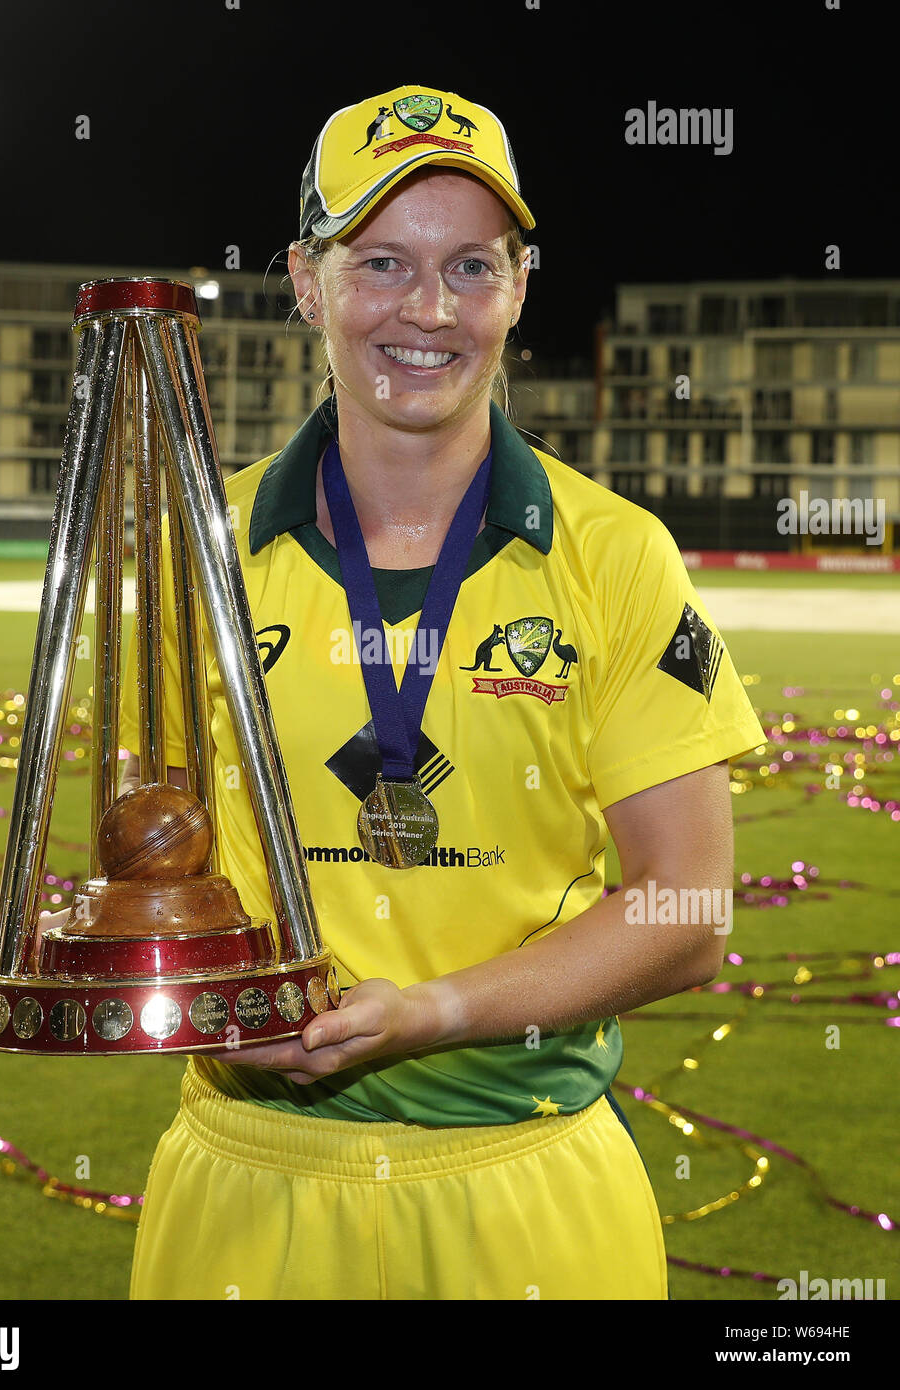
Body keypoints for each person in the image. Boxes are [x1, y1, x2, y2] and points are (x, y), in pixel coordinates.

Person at [113, 84, 765, 1300]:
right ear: (308, 281)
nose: (427, 309)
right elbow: (152, 867)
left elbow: (687, 907)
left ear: (521, 284)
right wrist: (201, 995)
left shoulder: (614, 554)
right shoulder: (195, 546)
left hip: (528, 1190)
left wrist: (439, 1009)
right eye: (381, 263)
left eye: (471, 265)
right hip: (244, 1191)